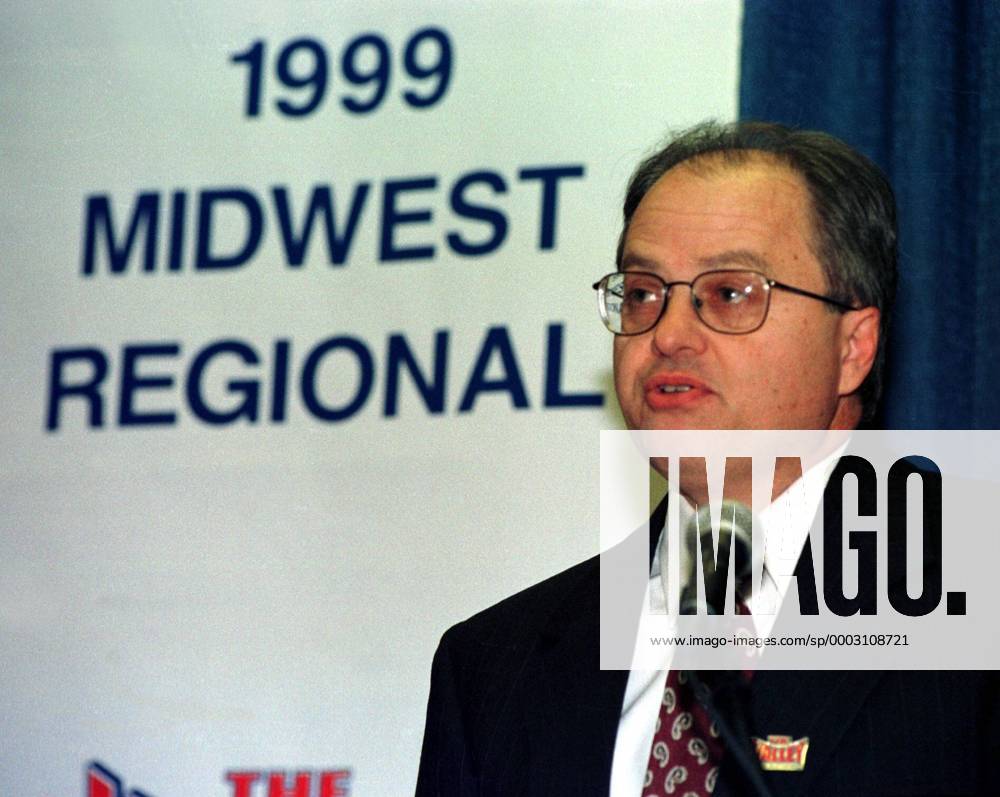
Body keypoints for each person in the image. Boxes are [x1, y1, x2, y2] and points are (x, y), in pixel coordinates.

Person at [415, 121, 999, 796]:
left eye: (727, 293)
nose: (667, 334)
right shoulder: (494, 666)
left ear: (853, 347)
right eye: (641, 292)